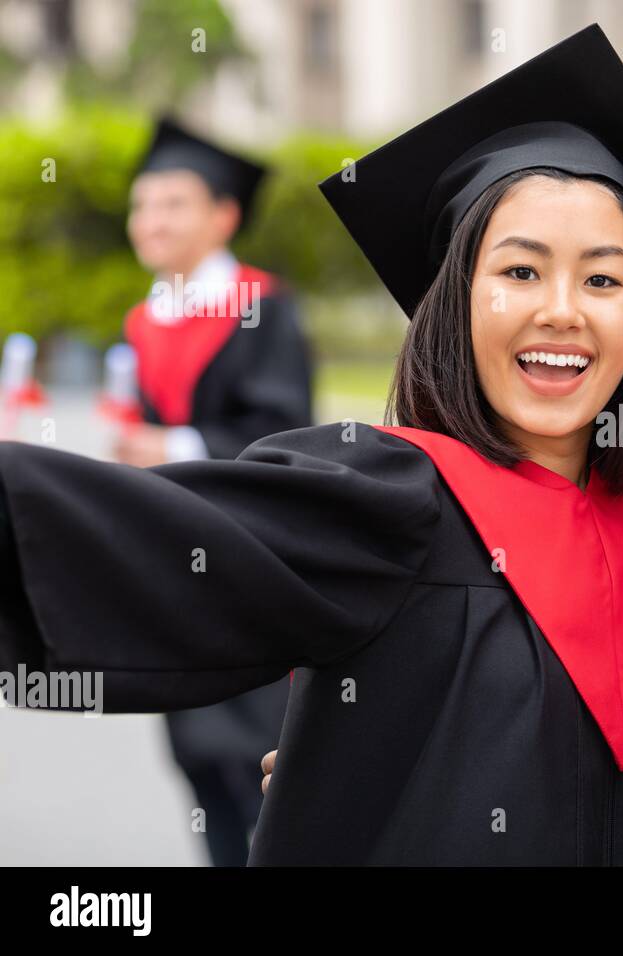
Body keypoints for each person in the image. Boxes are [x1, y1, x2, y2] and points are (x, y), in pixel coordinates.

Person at [0, 26, 623, 865]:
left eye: (604, 279)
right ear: (454, 304)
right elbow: (138, 534)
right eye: (518, 271)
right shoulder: (385, 497)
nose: (562, 310)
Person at [118, 116, 313, 866]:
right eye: (142, 206)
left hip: (244, 560)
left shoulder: (262, 306)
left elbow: (285, 434)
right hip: (167, 563)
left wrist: (171, 447)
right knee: (196, 753)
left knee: (257, 760)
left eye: (172, 203)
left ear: (223, 216)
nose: (151, 222)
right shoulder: (146, 318)